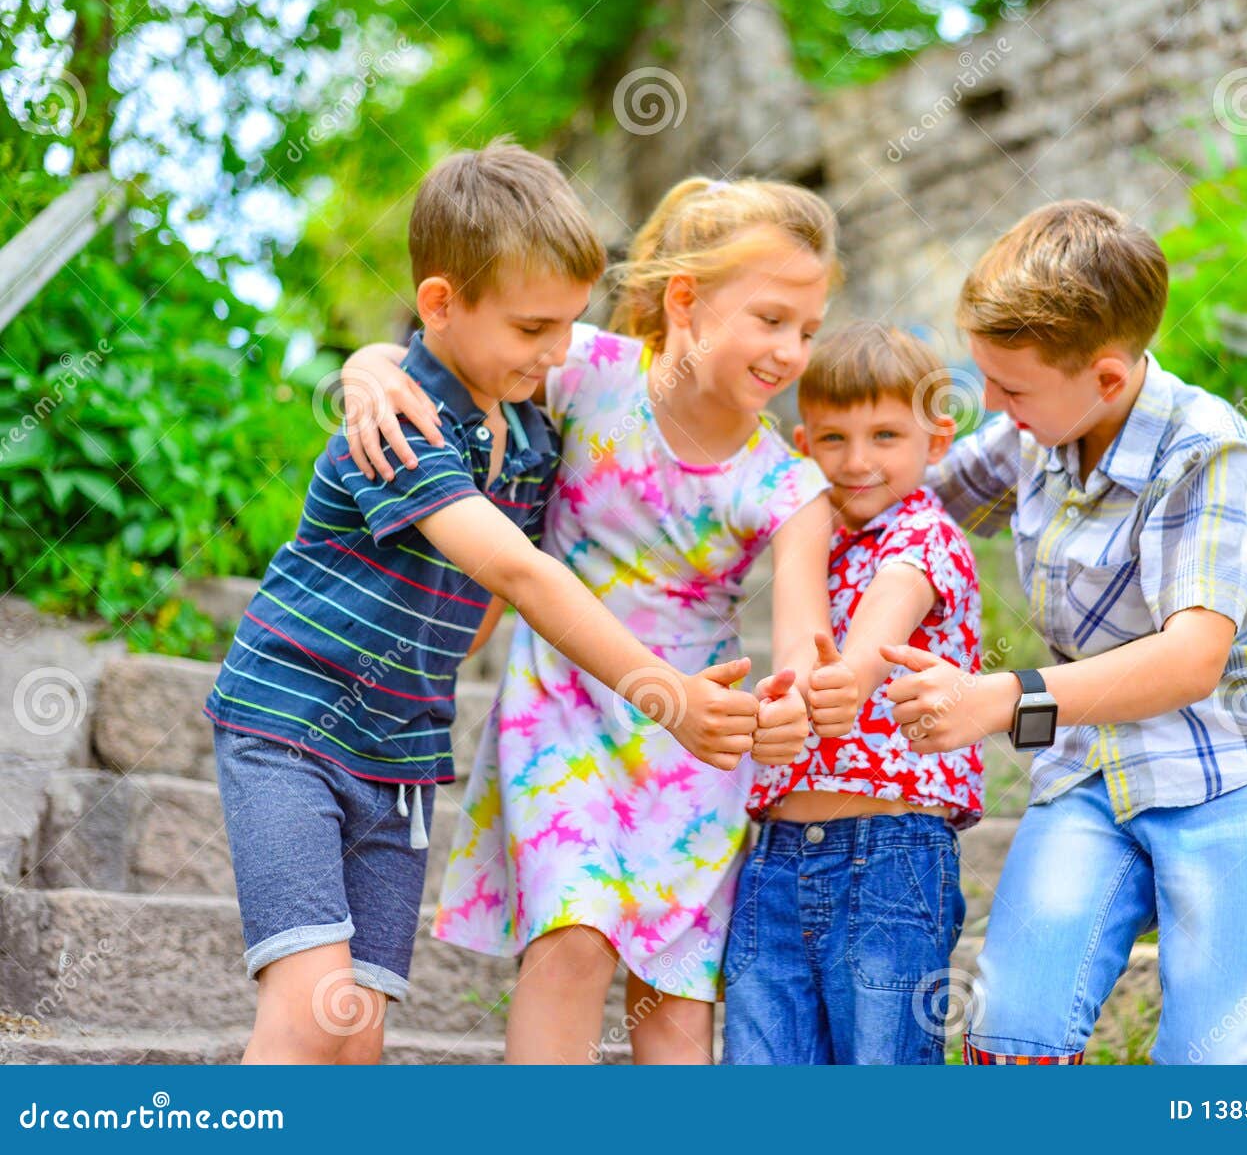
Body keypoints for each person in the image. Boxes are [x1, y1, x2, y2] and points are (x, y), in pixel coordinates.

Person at [204, 143, 771, 1064]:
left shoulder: (533, 434)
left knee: (356, 1030)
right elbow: (521, 574)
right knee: (312, 1010)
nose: (556, 354)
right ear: (440, 304)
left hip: (400, 753)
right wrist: (665, 692)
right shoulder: (400, 425)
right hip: (291, 722)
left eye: (569, 328)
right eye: (532, 330)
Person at [338, 176, 859, 1063]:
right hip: (564, 703)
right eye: (771, 320)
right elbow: (457, 342)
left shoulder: (788, 484)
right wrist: (365, 368)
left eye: (807, 331)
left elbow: (806, 645)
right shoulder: (585, 368)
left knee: (676, 995)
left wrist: (798, 703)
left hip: (695, 741)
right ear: (686, 302)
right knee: (573, 938)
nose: (790, 354)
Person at [884, 200, 1247, 1064]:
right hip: (1097, 759)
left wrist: (997, 701)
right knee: (1012, 1030)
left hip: (1235, 762)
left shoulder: (1207, 452)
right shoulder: (1037, 432)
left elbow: (1192, 658)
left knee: (1216, 1056)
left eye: (1011, 388)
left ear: (1107, 378)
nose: (993, 405)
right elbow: (912, 503)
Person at [724, 321, 987, 1065]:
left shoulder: (925, 536)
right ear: (803, 445)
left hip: (891, 852)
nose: (858, 461)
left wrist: (849, 678)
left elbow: (886, 616)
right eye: (834, 439)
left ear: (936, 442)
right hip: (776, 855)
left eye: (884, 436)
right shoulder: (809, 537)